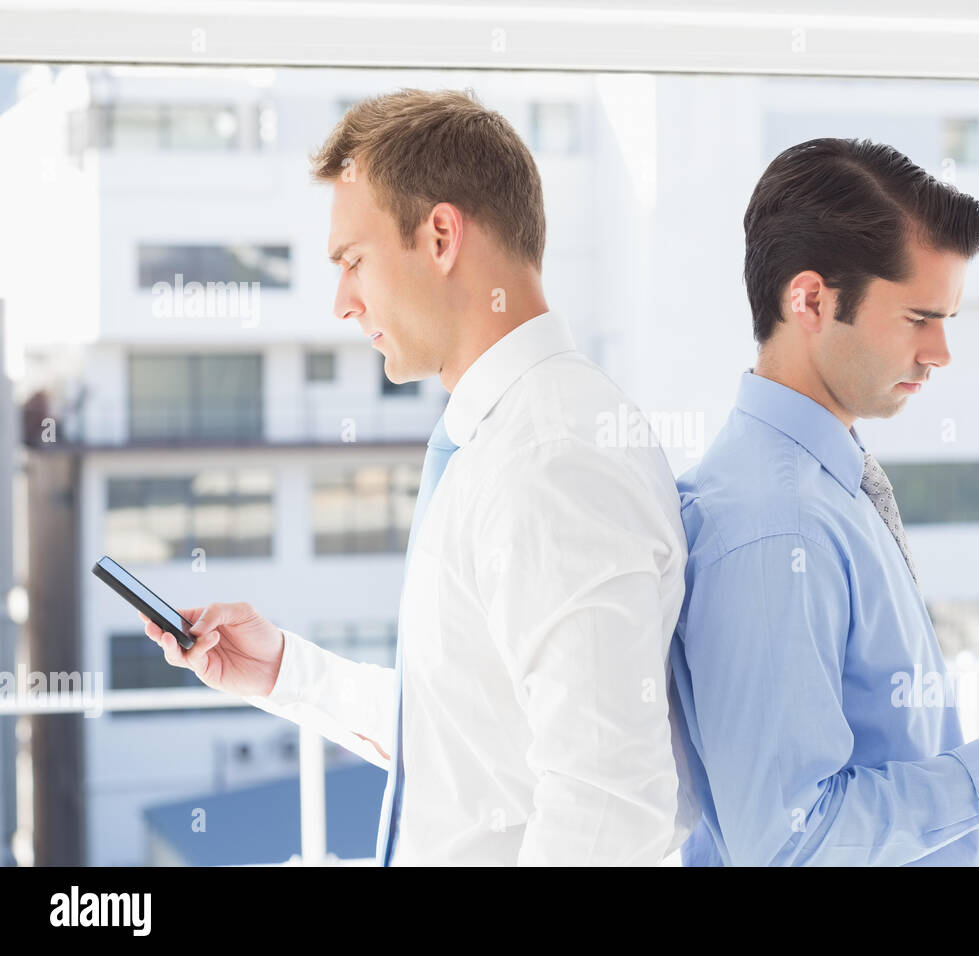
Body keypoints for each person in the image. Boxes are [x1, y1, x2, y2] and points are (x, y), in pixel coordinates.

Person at [139, 88, 692, 866]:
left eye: (353, 261)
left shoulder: (550, 459)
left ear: (439, 236)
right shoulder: (505, 440)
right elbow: (475, 738)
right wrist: (287, 672)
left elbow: (607, 803)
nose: (341, 302)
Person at [668, 137, 979, 866]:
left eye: (947, 321)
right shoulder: (775, 527)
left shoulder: (822, 492)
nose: (940, 352)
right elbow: (790, 843)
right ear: (810, 299)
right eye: (917, 318)